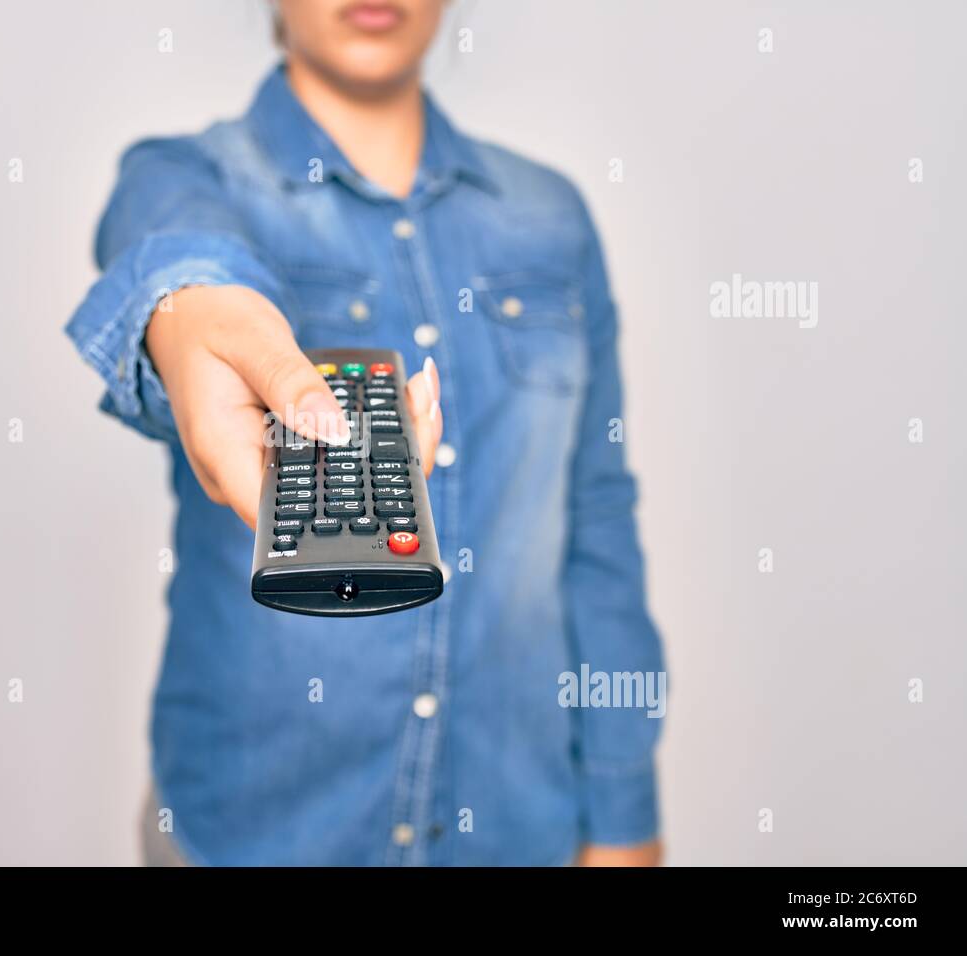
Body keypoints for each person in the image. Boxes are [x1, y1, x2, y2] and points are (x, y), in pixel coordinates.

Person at [66, 0, 665, 866]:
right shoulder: (187, 177)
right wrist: (194, 314)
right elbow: (174, 252)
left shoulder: (552, 217)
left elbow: (598, 535)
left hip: (516, 829)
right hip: (251, 833)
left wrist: (623, 812)